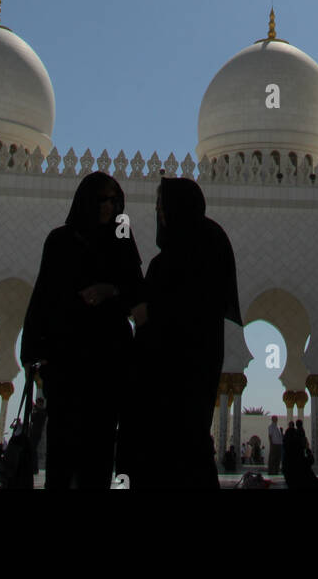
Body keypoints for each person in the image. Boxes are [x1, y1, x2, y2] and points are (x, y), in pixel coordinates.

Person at [21, 171, 145, 490]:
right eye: (103, 200)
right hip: (67, 360)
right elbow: (43, 297)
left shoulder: (121, 238)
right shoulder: (60, 240)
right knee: (62, 451)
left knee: (99, 452)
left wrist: (110, 290)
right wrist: (35, 354)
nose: (110, 207)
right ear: (87, 201)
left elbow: (136, 289)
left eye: (115, 200)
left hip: (108, 361)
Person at [130, 177, 241, 490]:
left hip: (162, 405)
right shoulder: (210, 254)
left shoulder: (167, 265)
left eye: (161, 209)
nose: (158, 216)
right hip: (194, 403)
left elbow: (157, 326)